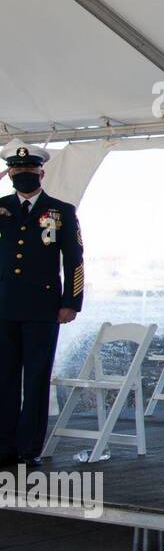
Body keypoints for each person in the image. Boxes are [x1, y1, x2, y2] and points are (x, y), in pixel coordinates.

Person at [0, 141, 83, 467]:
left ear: (41, 172)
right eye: (17, 169)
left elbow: (74, 260)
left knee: (35, 378)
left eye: (29, 169)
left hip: (43, 308)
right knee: (4, 379)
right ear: (10, 172)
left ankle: (28, 447)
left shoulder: (61, 211)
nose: (23, 174)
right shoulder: (1, 208)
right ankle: (3, 444)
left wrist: (71, 302)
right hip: (4, 305)